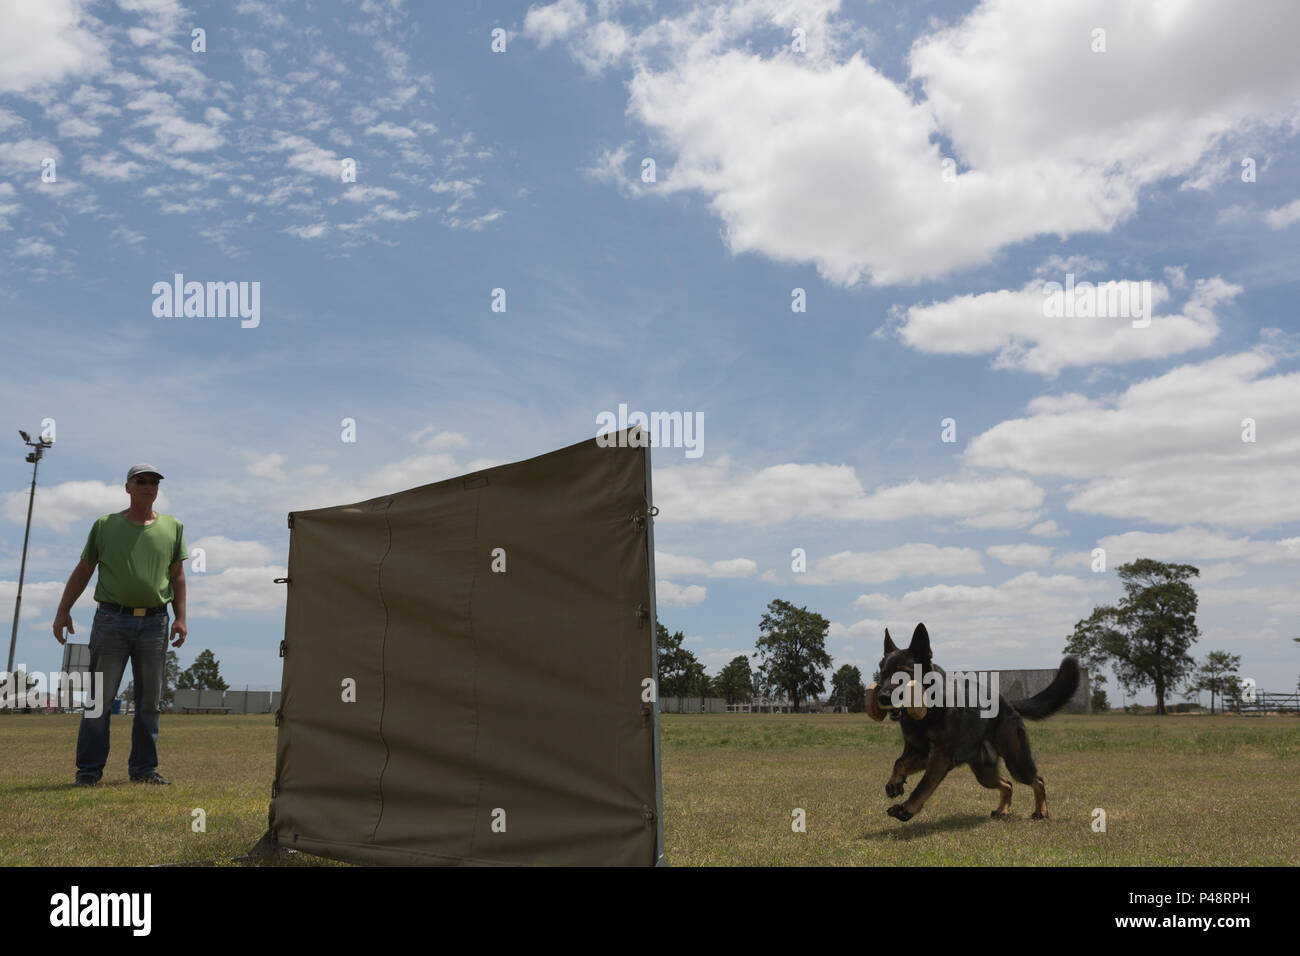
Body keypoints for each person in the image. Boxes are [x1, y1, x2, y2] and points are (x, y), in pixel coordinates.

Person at [52, 464, 188, 786]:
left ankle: (143, 770)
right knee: (100, 699)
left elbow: (177, 576)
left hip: (155, 623)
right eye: (141, 481)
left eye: (154, 482)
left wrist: (181, 617)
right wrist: (62, 612)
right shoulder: (105, 525)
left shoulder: (173, 527)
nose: (148, 486)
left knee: (149, 703)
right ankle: (88, 771)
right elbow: (84, 569)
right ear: (128, 487)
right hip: (111, 620)